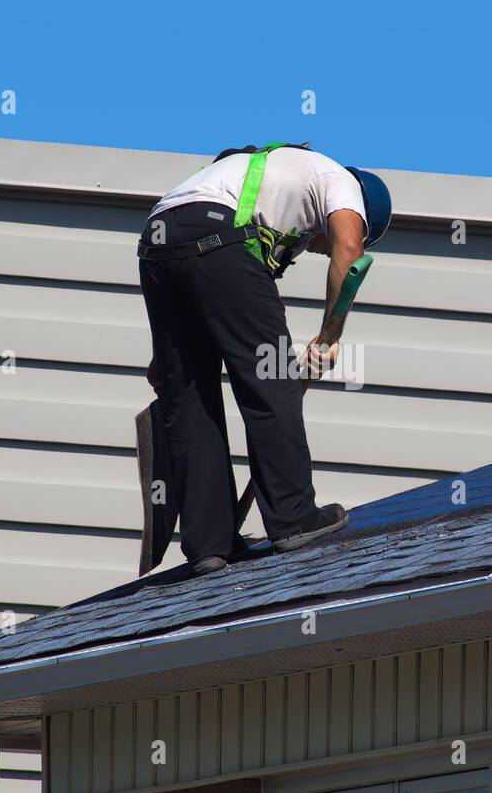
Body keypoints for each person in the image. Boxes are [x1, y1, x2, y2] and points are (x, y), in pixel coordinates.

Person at [137, 142, 392, 573]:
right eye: (326, 242)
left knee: (190, 398)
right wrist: (330, 336)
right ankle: (294, 519)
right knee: (271, 379)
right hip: (217, 237)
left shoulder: (273, 181)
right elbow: (351, 256)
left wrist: (168, 356)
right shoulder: (343, 183)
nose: (323, 249)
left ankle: (208, 545)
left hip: (156, 243)